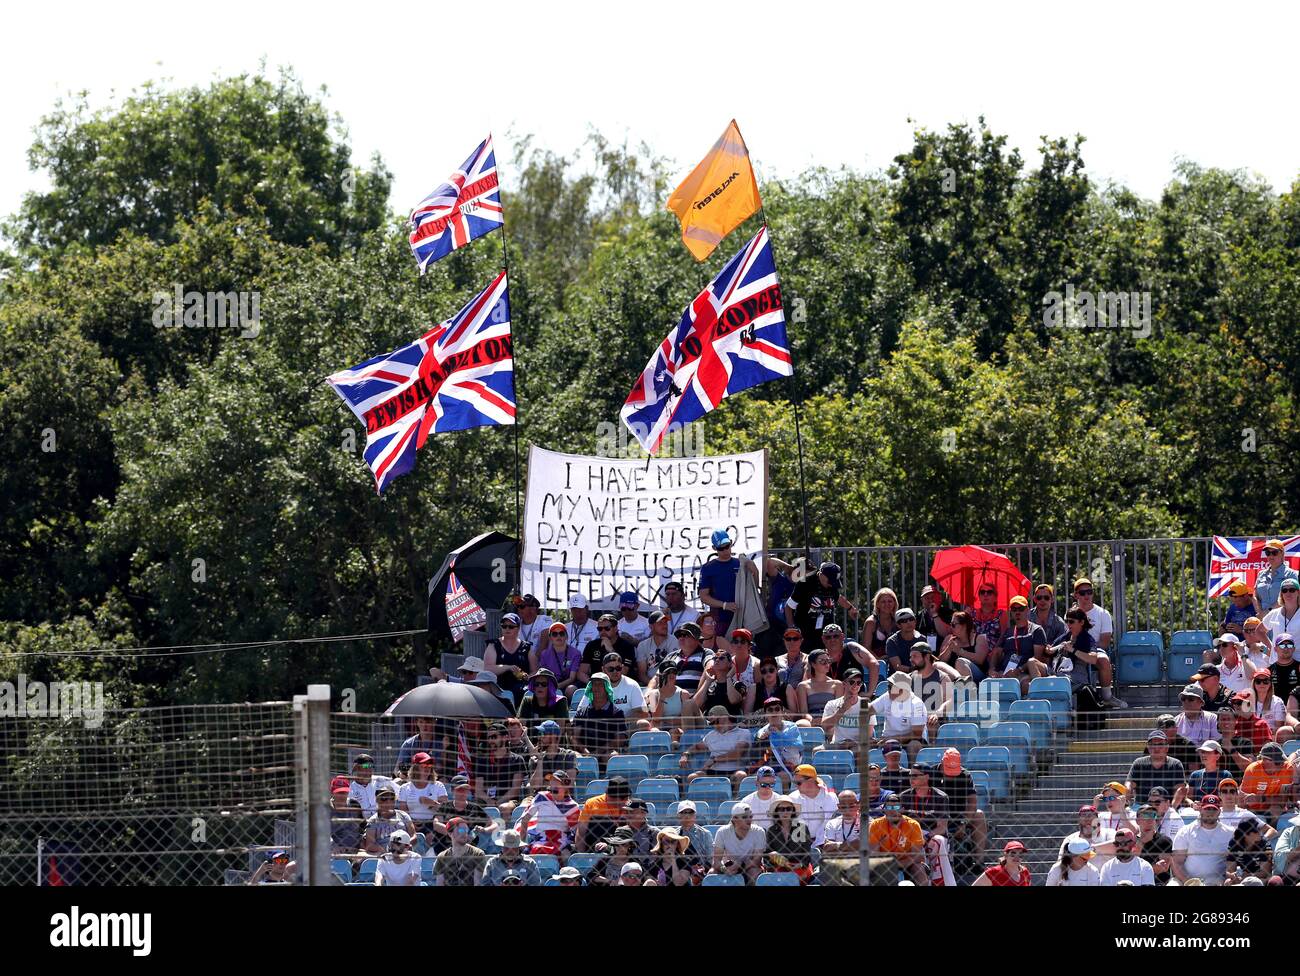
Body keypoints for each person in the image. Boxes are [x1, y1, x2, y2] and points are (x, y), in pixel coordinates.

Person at [1070, 578, 1127, 706]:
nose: (1087, 596)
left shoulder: (1103, 613)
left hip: (1094, 649)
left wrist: (1086, 650)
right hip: (1074, 649)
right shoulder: (1071, 613)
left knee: (1104, 660)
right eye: (1082, 592)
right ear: (1076, 595)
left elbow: (1104, 643)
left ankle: (1107, 697)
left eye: (1089, 592)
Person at [785, 560, 860, 650]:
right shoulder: (804, 584)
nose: (831, 585)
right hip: (806, 632)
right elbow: (788, 607)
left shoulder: (831, 585)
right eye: (829, 581)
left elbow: (838, 597)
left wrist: (850, 608)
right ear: (821, 574)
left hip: (825, 633)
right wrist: (792, 628)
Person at [697, 529, 760, 632]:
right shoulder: (708, 568)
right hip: (720, 619)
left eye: (727, 546)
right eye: (721, 548)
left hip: (743, 617)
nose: (725, 550)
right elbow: (704, 597)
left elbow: (754, 589)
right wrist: (725, 605)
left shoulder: (741, 563)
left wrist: (755, 571)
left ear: (731, 543)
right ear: (714, 548)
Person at [937, 747, 987, 864]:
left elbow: (972, 802)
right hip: (936, 816)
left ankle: (979, 862)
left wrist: (963, 823)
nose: (950, 775)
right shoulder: (931, 774)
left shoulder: (965, 775)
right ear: (942, 762)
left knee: (979, 815)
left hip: (959, 815)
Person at [681, 706, 751, 788]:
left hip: (734, 770)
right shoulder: (711, 735)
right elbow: (697, 747)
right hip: (713, 771)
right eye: (711, 723)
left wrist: (714, 760)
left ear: (724, 717)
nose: (714, 726)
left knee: (741, 775)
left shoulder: (743, 733)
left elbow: (737, 754)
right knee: (692, 778)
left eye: (716, 722)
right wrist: (685, 755)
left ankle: (735, 799)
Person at [868, 794, 928, 885]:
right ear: (884, 809)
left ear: (902, 809)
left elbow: (917, 856)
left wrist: (897, 864)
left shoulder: (913, 825)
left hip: (907, 863)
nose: (892, 810)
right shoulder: (876, 825)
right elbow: (874, 854)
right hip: (885, 864)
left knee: (919, 869)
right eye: (889, 807)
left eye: (896, 807)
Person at [1172, 795, 1233, 885]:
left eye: (1214, 809)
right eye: (1207, 809)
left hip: (1219, 882)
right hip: (1187, 881)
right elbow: (1176, 862)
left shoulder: (1230, 833)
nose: (1210, 812)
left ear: (1219, 811)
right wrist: (1188, 882)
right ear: (1200, 809)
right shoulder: (1186, 831)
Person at [868, 671, 928, 763]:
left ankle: (914, 774)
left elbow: (917, 734)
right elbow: (868, 710)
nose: (887, 690)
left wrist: (892, 739)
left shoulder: (916, 704)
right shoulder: (887, 697)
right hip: (887, 739)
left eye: (890, 687)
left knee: (914, 745)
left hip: (910, 740)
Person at [472, 723, 527, 819]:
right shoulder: (482, 760)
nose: (490, 741)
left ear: (505, 738)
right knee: (472, 807)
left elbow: (515, 790)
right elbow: (478, 789)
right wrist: (489, 801)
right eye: (489, 737)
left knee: (503, 808)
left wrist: (498, 802)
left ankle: (504, 833)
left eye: (494, 737)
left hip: (509, 800)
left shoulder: (517, 759)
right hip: (486, 799)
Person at [520, 769, 581, 855]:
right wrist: (522, 842)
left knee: (565, 856)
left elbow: (577, 831)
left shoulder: (572, 806)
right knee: (526, 856)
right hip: (541, 838)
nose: (552, 784)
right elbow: (525, 819)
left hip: (562, 839)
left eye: (556, 781)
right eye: (551, 781)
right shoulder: (541, 797)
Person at [428, 775, 495, 851]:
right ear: (452, 790)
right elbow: (436, 824)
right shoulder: (445, 806)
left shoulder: (475, 808)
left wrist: (484, 830)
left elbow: (494, 824)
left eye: (465, 790)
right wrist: (455, 834)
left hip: (468, 852)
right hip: (444, 850)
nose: (463, 793)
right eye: (460, 790)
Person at [995, 595, 1046, 690]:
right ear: (1011, 612)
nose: (1017, 612)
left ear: (1027, 610)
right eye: (1014, 609)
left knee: (1025, 686)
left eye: (1021, 609)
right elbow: (996, 653)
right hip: (1006, 673)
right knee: (988, 687)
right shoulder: (1007, 632)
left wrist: (1018, 670)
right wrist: (992, 669)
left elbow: (1037, 658)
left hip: (1025, 673)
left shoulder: (1036, 630)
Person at [1126, 731, 1188, 805]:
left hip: (1168, 808)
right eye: (1152, 745)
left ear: (1167, 748)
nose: (1156, 748)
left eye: (1160, 744)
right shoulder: (1139, 763)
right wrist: (1127, 804)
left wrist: (1171, 809)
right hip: (1142, 808)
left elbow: (1179, 790)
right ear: (1148, 747)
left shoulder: (1175, 764)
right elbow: (1129, 785)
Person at [753, 697, 804, 788]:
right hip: (768, 765)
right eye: (770, 710)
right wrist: (761, 741)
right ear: (766, 714)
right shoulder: (761, 732)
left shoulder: (792, 727)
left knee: (783, 776)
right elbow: (758, 756)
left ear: (782, 711)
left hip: (790, 765)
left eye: (777, 709)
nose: (774, 712)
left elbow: (797, 746)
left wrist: (778, 734)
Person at [572, 673, 624, 761]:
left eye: (600, 684)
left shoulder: (616, 713)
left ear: (607, 688)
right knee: (573, 757)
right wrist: (585, 751)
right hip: (584, 753)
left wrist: (598, 751)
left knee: (612, 757)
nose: (596, 688)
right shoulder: (582, 713)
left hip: (606, 752)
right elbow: (574, 738)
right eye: (594, 684)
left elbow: (620, 739)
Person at [483, 612, 532, 706]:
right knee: (507, 695)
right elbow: (487, 669)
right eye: (504, 626)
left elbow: (535, 670)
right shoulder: (493, 645)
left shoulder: (527, 647)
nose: (507, 629)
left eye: (511, 626)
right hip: (498, 688)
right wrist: (508, 667)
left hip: (522, 688)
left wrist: (527, 677)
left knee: (527, 693)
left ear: (518, 628)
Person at [764, 796, 815, 883]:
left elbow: (807, 854)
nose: (785, 812)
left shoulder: (801, 828)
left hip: (800, 867)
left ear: (793, 811)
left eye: (788, 809)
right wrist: (776, 859)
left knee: (794, 880)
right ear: (777, 811)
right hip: (779, 868)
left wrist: (800, 864)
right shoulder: (771, 830)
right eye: (781, 809)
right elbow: (767, 856)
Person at [397, 752, 446, 842]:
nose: (427, 767)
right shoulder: (404, 788)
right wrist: (411, 825)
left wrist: (432, 803)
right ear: (415, 768)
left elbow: (446, 810)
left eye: (429, 764)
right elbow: (402, 813)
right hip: (411, 824)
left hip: (433, 824)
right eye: (424, 764)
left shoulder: (439, 786)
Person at [789, 763, 840, 848]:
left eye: (798, 783)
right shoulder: (793, 798)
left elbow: (832, 825)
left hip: (824, 843)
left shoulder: (829, 797)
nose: (795, 786)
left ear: (810, 781)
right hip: (800, 845)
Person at [712, 802, 766, 882]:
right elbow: (716, 861)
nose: (749, 819)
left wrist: (740, 865)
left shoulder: (759, 831)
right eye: (744, 817)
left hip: (750, 866)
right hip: (728, 865)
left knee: (754, 874)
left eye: (750, 816)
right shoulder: (722, 832)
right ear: (735, 819)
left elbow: (757, 860)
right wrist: (725, 869)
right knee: (711, 873)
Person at [574, 775, 629, 852]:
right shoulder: (592, 803)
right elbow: (581, 833)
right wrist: (582, 855)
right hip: (594, 847)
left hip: (621, 849)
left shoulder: (631, 806)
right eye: (611, 797)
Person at [1240, 742, 1294, 819]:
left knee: (1276, 809)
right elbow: (1243, 801)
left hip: (1273, 808)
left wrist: (1262, 799)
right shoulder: (1252, 770)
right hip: (1253, 810)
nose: (1282, 764)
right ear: (1265, 761)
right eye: (1278, 762)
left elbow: (1282, 801)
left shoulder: (1287, 769)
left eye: (1282, 760)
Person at [643, 659, 699, 734]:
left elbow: (685, 720)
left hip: (678, 730)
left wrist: (665, 720)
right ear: (661, 676)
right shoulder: (653, 694)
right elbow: (656, 718)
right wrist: (662, 696)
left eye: (674, 672)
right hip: (660, 731)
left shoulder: (683, 694)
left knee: (675, 732)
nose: (671, 674)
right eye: (667, 672)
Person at [691, 648, 749, 717]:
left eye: (721, 658)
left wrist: (729, 677)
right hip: (710, 724)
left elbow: (733, 700)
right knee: (687, 704)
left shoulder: (738, 685)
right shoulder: (709, 685)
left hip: (729, 724)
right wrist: (708, 681)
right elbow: (695, 705)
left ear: (730, 664)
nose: (717, 660)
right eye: (715, 658)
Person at [579, 615, 637, 684]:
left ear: (615, 629)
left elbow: (623, 672)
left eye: (607, 628)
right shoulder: (592, 645)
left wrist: (611, 650)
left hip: (620, 684)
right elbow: (581, 673)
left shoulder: (626, 646)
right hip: (596, 684)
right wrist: (592, 684)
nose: (603, 631)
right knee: (571, 689)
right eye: (600, 629)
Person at [820, 668, 864, 757]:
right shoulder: (832, 704)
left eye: (858, 683)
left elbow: (868, 734)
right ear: (844, 683)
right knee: (817, 751)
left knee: (858, 750)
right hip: (837, 744)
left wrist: (851, 743)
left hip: (857, 745)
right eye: (852, 682)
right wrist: (842, 709)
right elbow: (824, 726)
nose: (855, 685)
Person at [362, 786, 416, 855]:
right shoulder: (372, 821)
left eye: (392, 798)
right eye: (384, 799)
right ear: (377, 800)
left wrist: (404, 846)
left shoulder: (403, 816)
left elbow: (414, 836)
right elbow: (370, 845)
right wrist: (388, 850)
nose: (388, 802)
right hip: (384, 855)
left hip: (404, 852)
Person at [432, 817, 486, 886]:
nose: (465, 833)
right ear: (450, 833)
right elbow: (439, 883)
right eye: (461, 830)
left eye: (466, 830)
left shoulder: (477, 854)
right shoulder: (442, 857)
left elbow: (477, 883)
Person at [533, 624, 583, 698]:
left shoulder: (576, 653)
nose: (558, 636)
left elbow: (572, 678)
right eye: (555, 634)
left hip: (570, 683)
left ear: (566, 636)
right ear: (550, 638)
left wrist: (557, 686)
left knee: (570, 690)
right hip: (552, 683)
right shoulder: (544, 654)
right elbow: (544, 676)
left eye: (561, 633)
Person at [525, 721, 579, 788]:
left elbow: (568, 784)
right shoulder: (535, 759)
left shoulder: (569, 756)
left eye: (543, 733)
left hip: (562, 797)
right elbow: (535, 786)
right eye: (539, 734)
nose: (539, 737)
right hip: (541, 798)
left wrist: (544, 782)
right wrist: (540, 760)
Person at [939, 611, 988, 683]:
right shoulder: (950, 638)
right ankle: (960, 683)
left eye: (953, 625)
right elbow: (941, 661)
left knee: (960, 662)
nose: (951, 627)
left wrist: (960, 651)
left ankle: (967, 690)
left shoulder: (979, 638)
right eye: (950, 624)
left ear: (964, 626)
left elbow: (980, 659)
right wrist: (949, 649)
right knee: (936, 665)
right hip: (955, 678)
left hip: (977, 678)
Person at [515, 668, 569, 734]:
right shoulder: (527, 701)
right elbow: (521, 728)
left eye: (544, 684)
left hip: (553, 742)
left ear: (550, 687)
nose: (539, 686)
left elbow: (560, 730)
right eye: (536, 684)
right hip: (530, 742)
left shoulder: (560, 701)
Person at [1250, 669, 1297, 743]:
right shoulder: (1247, 701)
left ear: (1270, 683)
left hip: (1271, 739)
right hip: (1251, 739)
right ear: (1253, 683)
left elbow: (1279, 729)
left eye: (1265, 681)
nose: (1262, 684)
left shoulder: (1277, 702)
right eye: (1258, 681)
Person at [600, 653, 647, 724]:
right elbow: (582, 711)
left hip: (626, 726)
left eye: (618, 668)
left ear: (622, 667)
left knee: (643, 723)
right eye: (610, 669)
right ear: (603, 669)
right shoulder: (595, 685)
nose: (615, 672)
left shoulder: (632, 685)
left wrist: (620, 723)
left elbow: (642, 713)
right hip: (601, 727)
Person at [796, 649, 843, 722]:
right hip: (811, 720)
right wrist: (812, 720)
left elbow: (838, 709)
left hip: (831, 719)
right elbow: (804, 712)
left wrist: (826, 720)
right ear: (813, 664)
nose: (827, 664)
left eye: (828, 661)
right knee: (801, 723)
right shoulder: (803, 686)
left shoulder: (837, 684)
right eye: (822, 661)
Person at [1254, 539, 1299, 614]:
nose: (1271, 556)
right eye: (1268, 553)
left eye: (1274, 553)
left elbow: (1290, 596)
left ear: (1282, 554)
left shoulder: (1290, 574)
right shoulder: (1261, 574)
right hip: (1262, 618)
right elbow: (1255, 596)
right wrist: (1260, 612)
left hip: (1283, 617)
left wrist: (1268, 613)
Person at [635, 610, 679, 685]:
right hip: (650, 684)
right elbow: (642, 674)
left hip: (672, 683)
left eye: (665, 622)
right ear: (651, 626)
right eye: (660, 623)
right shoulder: (643, 645)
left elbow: (677, 668)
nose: (665, 626)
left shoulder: (675, 641)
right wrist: (654, 686)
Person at [1134, 804, 1175, 883]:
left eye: (1153, 815)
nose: (1149, 820)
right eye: (1145, 816)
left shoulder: (1164, 841)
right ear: (1137, 821)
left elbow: (1162, 868)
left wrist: (1137, 873)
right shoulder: (1132, 842)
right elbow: (1130, 868)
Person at [346, 752, 395, 819]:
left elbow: (401, 790)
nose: (369, 770)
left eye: (371, 767)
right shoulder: (350, 790)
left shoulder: (381, 781)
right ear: (356, 768)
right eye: (365, 766)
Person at [664, 621, 709, 694]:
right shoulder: (670, 656)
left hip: (693, 702)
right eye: (679, 635)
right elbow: (656, 678)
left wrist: (695, 699)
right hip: (669, 701)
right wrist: (649, 691)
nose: (681, 638)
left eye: (686, 635)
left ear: (697, 639)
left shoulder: (705, 653)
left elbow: (709, 669)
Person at [862, 587, 899, 666]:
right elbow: (866, 648)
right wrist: (880, 661)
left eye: (890, 601)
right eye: (883, 602)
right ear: (877, 604)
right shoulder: (871, 622)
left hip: (896, 663)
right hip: (875, 663)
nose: (887, 604)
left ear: (894, 603)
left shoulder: (897, 621)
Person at [970, 581, 1008, 659]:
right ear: (979, 596)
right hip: (973, 650)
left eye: (989, 592)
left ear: (995, 597)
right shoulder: (972, 613)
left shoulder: (1001, 614)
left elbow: (1003, 635)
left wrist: (994, 651)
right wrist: (966, 614)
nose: (985, 595)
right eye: (982, 592)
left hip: (991, 654)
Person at [883, 607, 926, 675]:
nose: (908, 622)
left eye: (911, 619)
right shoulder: (891, 642)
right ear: (898, 625)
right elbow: (897, 667)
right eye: (904, 621)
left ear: (915, 622)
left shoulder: (922, 639)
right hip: (898, 679)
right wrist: (915, 670)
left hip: (920, 676)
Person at [1176, 683, 1220, 748]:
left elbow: (1216, 744)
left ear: (1201, 703)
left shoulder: (1212, 719)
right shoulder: (1176, 721)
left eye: (1191, 699)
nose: (1186, 702)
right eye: (1183, 699)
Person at [330, 781, 365, 857]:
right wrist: (333, 846)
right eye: (339, 792)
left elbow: (363, 826)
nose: (342, 796)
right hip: (335, 851)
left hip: (357, 850)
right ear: (332, 793)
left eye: (344, 792)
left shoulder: (354, 805)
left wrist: (364, 842)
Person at [821, 790, 862, 855]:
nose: (847, 810)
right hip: (837, 862)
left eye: (851, 806)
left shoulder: (867, 822)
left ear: (858, 805)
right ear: (839, 807)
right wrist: (852, 846)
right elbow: (827, 848)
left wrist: (835, 845)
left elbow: (862, 844)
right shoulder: (832, 824)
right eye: (843, 807)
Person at [1268, 632, 1300, 709]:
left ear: (1293, 649)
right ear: (1275, 649)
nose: (1286, 648)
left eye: (1289, 645)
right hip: (1276, 712)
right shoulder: (1269, 670)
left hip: (1296, 713)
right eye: (1282, 645)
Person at [1263, 579, 1300, 644]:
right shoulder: (1274, 613)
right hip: (1277, 654)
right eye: (1284, 590)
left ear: (1298, 592)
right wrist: (1271, 648)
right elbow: (1259, 631)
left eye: (1292, 590)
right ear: (1281, 594)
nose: (1288, 593)